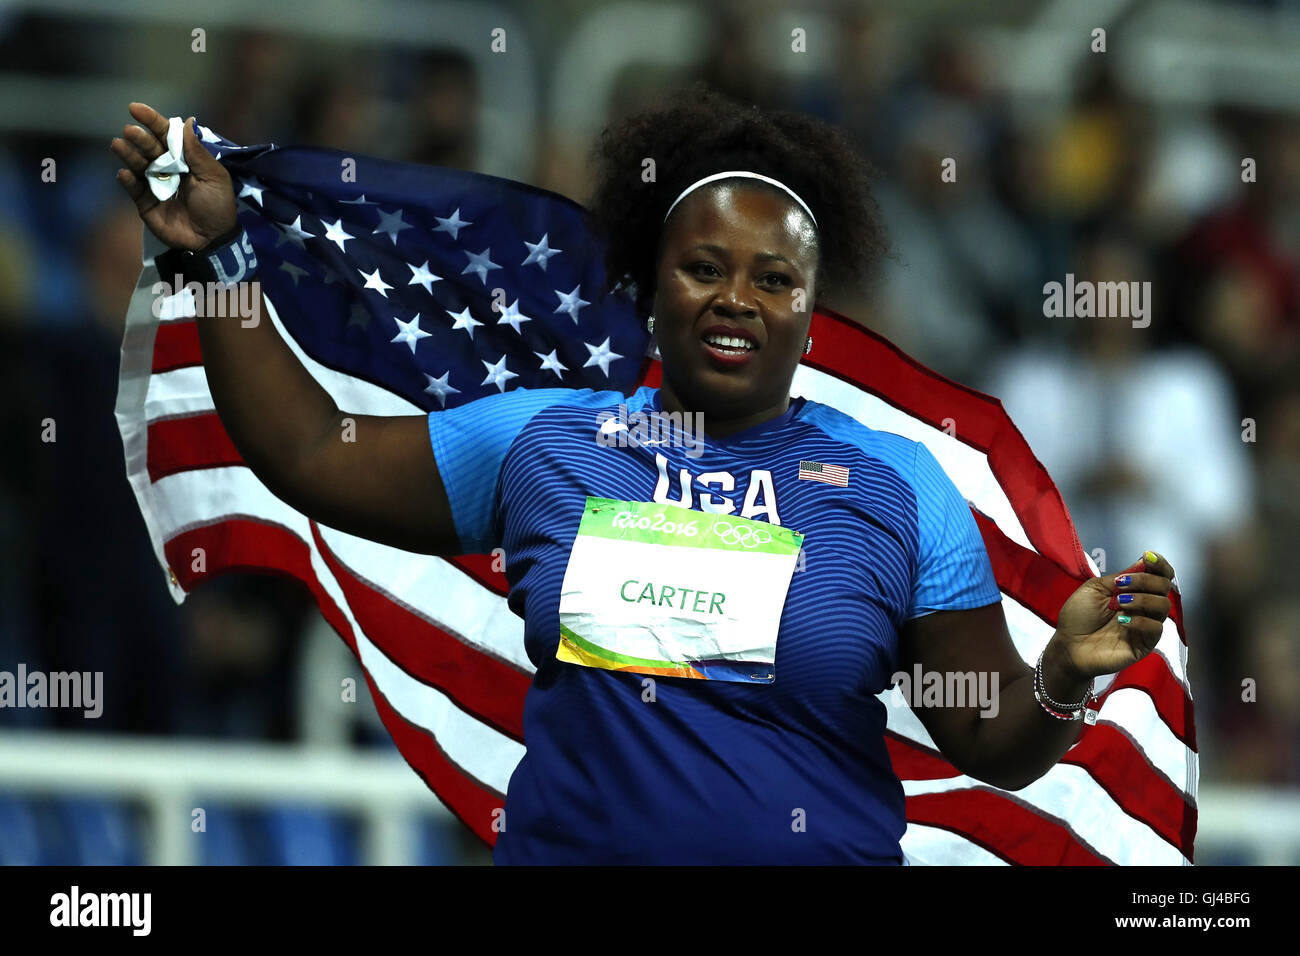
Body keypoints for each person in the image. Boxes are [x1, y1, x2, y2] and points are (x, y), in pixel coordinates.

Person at [110, 90, 1176, 865]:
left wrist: (1065, 672)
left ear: (811, 312)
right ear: (647, 285)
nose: (736, 299)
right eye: (703, 268)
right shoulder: (544, 440)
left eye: (773, 280)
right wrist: (223, 262)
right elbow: (306, 450)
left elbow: (989, 734)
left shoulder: (898, 488)